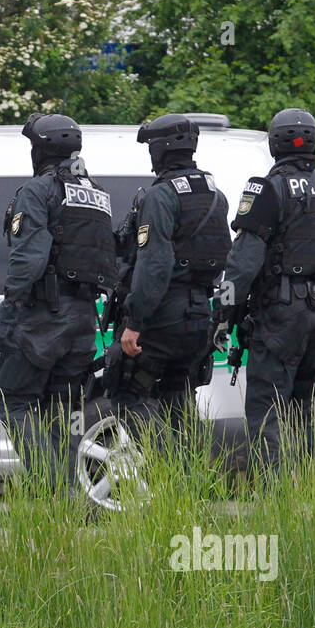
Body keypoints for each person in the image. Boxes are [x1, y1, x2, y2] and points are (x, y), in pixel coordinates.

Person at [212, 108, 315, 474]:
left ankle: (274, 500)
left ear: (274, 144)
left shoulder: (267, 188)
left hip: (283, 318)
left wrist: (224, 313)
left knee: (267, 411)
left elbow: (244, 261)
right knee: (306, 409)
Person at [0, 112, 116, 493]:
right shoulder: (96, 192)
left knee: (13, 401)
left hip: (43, 317)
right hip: (82, 319)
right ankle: (67, 497)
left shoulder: (38, 191)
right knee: (62, 414)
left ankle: (52, 492)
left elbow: (28, 259)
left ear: (40, 150)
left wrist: (10, 312)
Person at [108, 114, 231, 436]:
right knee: (179, 399)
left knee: (127, 394)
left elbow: (155, 265)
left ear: (161, 149)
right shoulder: (216, 194)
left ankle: (157, 468)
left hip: (163, 315)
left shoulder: (160, 196)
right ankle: (189, 478)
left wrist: (134, 323)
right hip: (197, 314)